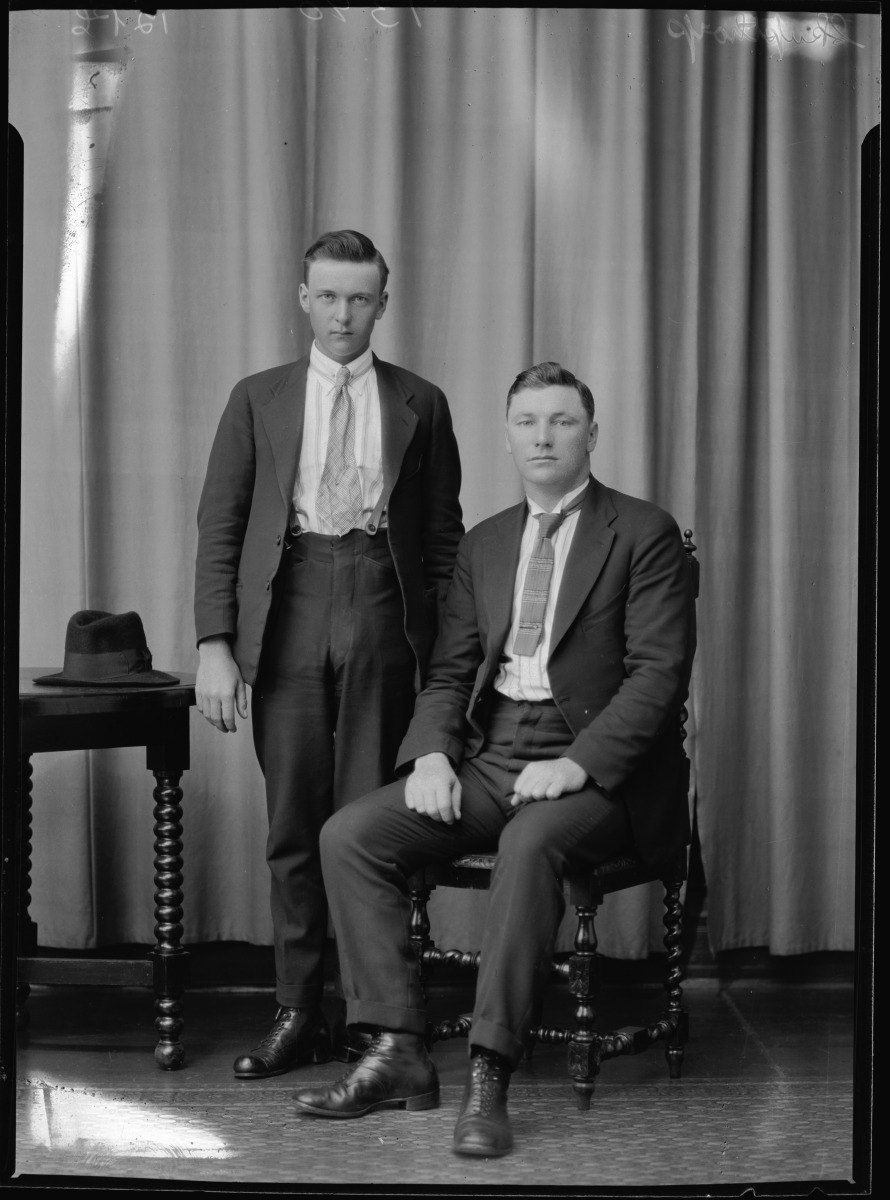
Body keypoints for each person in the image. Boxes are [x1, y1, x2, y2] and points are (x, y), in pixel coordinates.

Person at [292, 361, 696, 1157]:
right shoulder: (485, 544)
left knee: (530, 841)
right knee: (350, 835)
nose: (543, 436)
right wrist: (434, 756)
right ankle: (396, 1050)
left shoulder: (643, 533)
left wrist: (578, 764)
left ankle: (489, 1072)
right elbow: (450, 672)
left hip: (601, 770)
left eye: (562, 421)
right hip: (491, 752)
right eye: (527, 422)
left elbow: (658, 678)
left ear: (591, 432)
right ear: (508, 435)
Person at [193, 230, 464, 1079]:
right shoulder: (257, 398)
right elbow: (221, 527)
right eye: (329, 296)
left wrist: (451, 661)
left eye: (360, 298)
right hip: (292, 604)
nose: (344, 314)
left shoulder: (422, 401)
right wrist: (215, 644)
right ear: (302, 298)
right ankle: (297, 1010)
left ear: (383, 303)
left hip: (384, 608)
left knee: (363, 824)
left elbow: (444, 544)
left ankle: (370, 1019)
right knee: (293, 827)